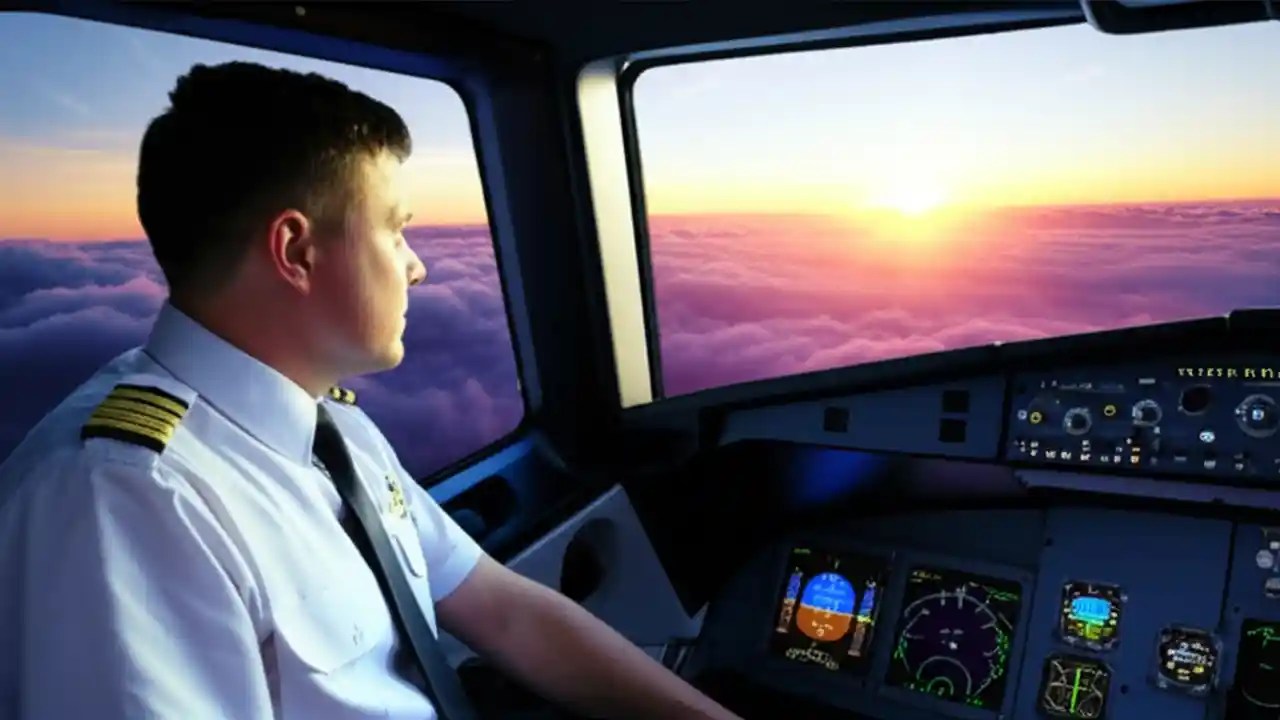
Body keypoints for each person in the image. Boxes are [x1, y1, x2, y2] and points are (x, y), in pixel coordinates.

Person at [0, 61, 740, 720]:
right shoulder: (125, 500)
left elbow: (503, 610)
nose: (417, 267)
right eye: (395, 231)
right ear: (296, 251)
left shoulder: (327, 426)